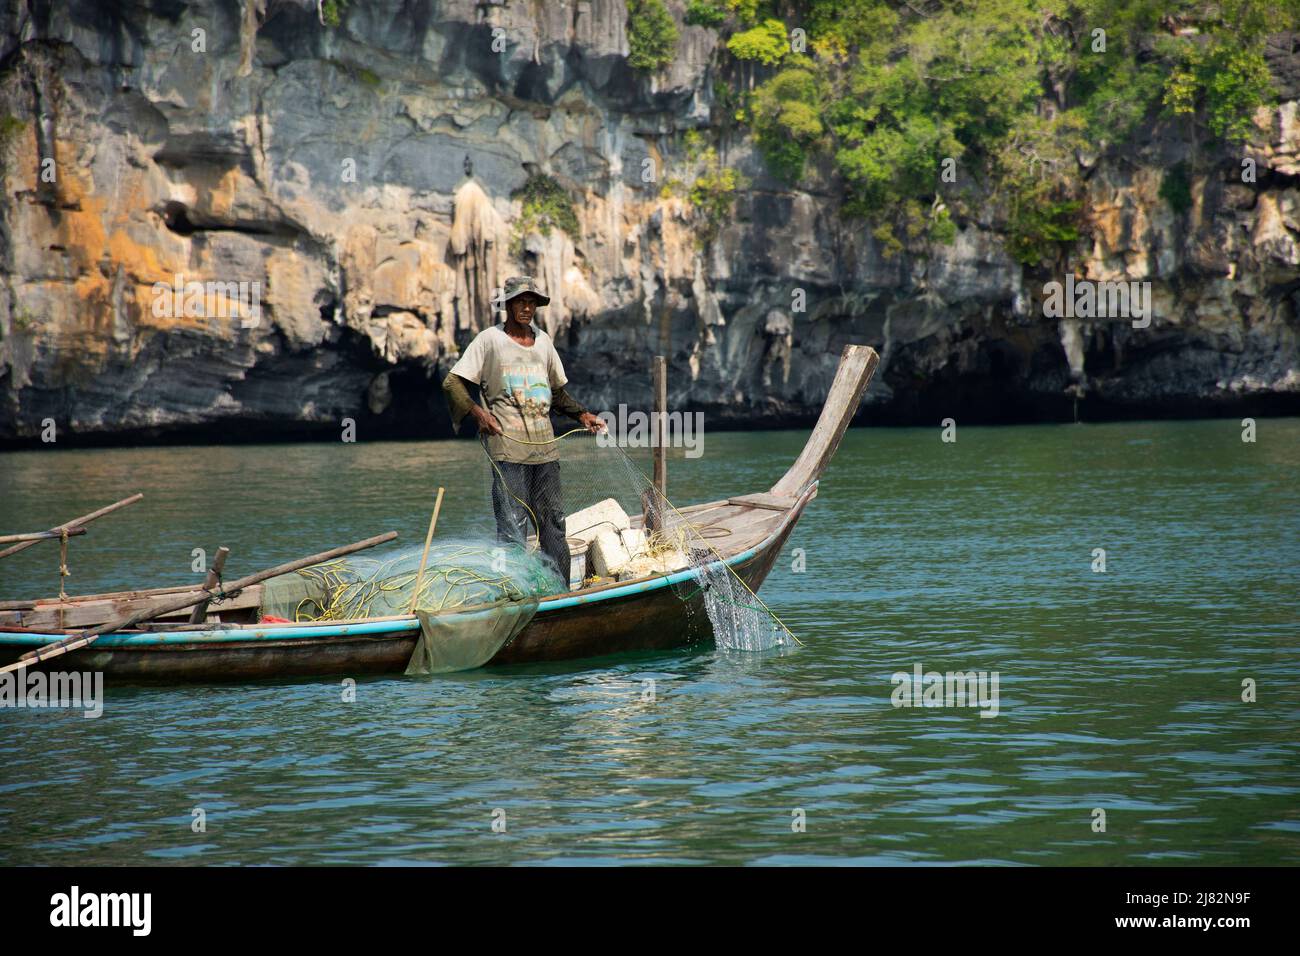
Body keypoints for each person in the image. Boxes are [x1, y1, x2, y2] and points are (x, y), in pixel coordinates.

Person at [441, 276, 605, 580]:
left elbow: (555, 392)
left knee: (553, 522)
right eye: (520, 301)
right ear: (508, 306)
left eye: (531, 302)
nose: (527, 307)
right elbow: (453, 383)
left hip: (545, 450)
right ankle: (515, 589)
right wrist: (479, 414)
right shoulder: (489, 340)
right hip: (508, 449)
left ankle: (558, 588)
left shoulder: (543, 341)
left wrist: (583, 415)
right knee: (513, 525)